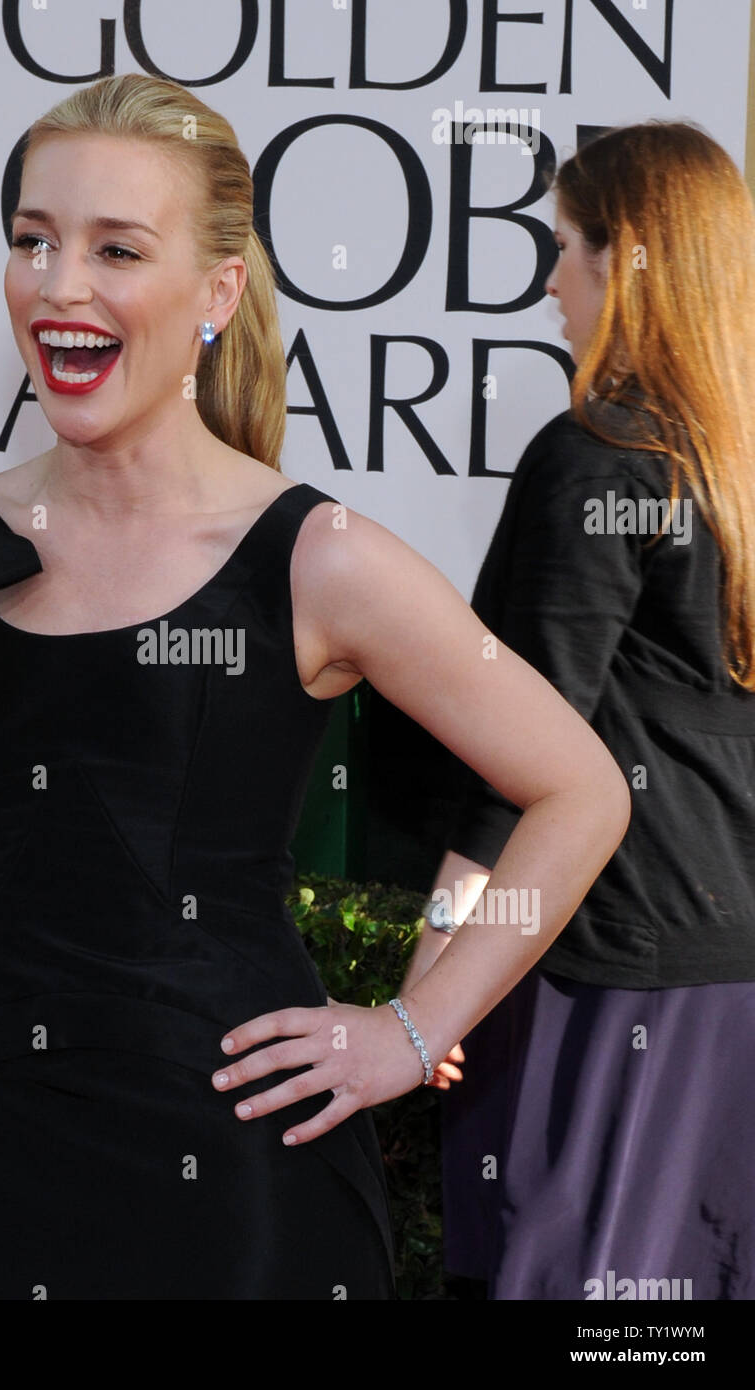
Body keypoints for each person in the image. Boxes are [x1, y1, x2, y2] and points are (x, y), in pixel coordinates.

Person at [0, 73, 627, 1301]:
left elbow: (583, 791)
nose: (59, 284)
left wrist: (411, 1029)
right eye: (33, 240)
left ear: (216, 293)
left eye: (116, 248)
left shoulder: (316, 557)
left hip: (241, 1185)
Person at [403, 122, 755, 1300]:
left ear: (630, 262)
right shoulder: (726, 467)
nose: (551, 282)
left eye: (567, 249)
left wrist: (441, 960)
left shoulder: (599, 457)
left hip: (606, 972)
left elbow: (524, 745)